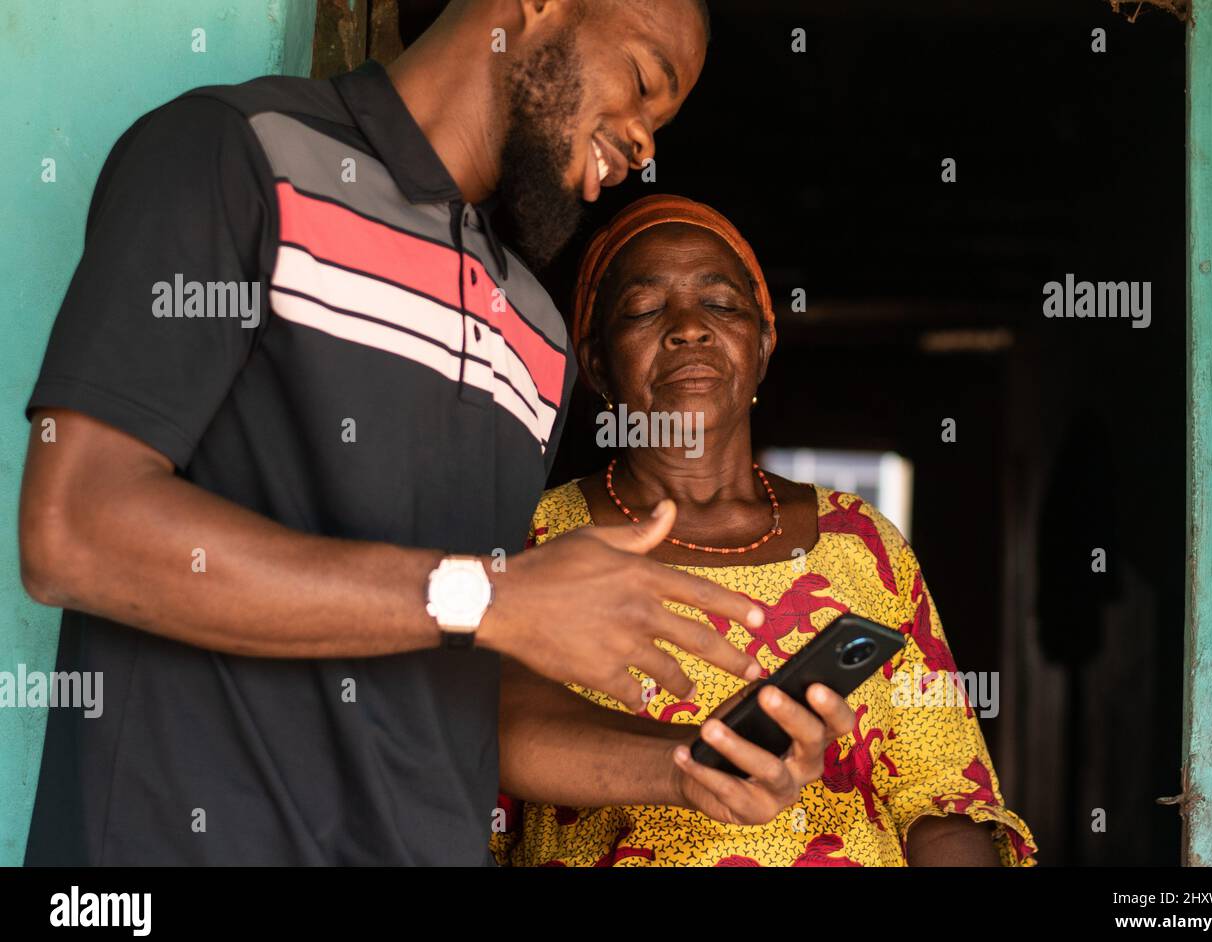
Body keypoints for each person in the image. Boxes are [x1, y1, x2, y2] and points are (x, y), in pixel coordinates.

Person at [18, 0, 856, 866]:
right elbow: (74, 529)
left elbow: (461, 674)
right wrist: (486, 595)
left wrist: (686, 768)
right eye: (645, 80)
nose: (646, 142)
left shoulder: (534, 334)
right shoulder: (238, 152)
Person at [491, 195, 1040, 866]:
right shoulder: (534, 539)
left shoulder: (860, 542)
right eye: (643, 309)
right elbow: (485, 742)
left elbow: (943, 798)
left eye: (721, 306)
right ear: (598, 363)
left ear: (764, 344)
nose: (688, 328)